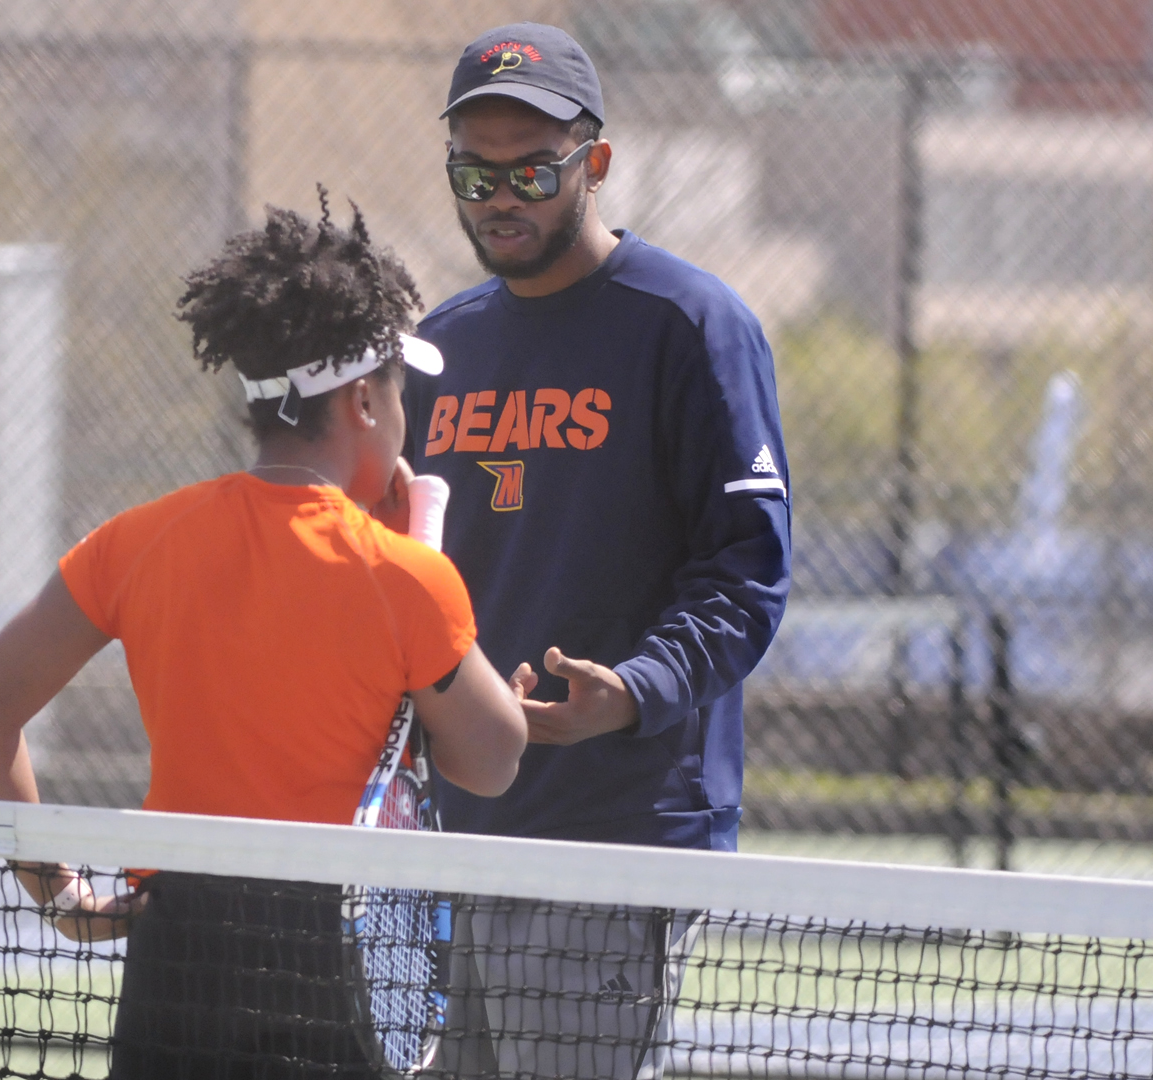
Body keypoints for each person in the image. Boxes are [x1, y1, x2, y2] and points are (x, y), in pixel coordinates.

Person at [0, 196, 531, 1079]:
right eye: (402, 393)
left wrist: (59, 894)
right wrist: (423, 573)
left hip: (176, 945)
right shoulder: (407, 574)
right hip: (334, 962)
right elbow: (493, 757)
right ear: (366, 402)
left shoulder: (137, 541)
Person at [403, 23, 793, 1079]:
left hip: (614, 835)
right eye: (473, 172)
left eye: (531, 169)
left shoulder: (693, 326)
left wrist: (625, 690)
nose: (500, 196)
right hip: (457, 832)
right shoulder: (440, 348)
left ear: (597, 164)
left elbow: (747, 571)